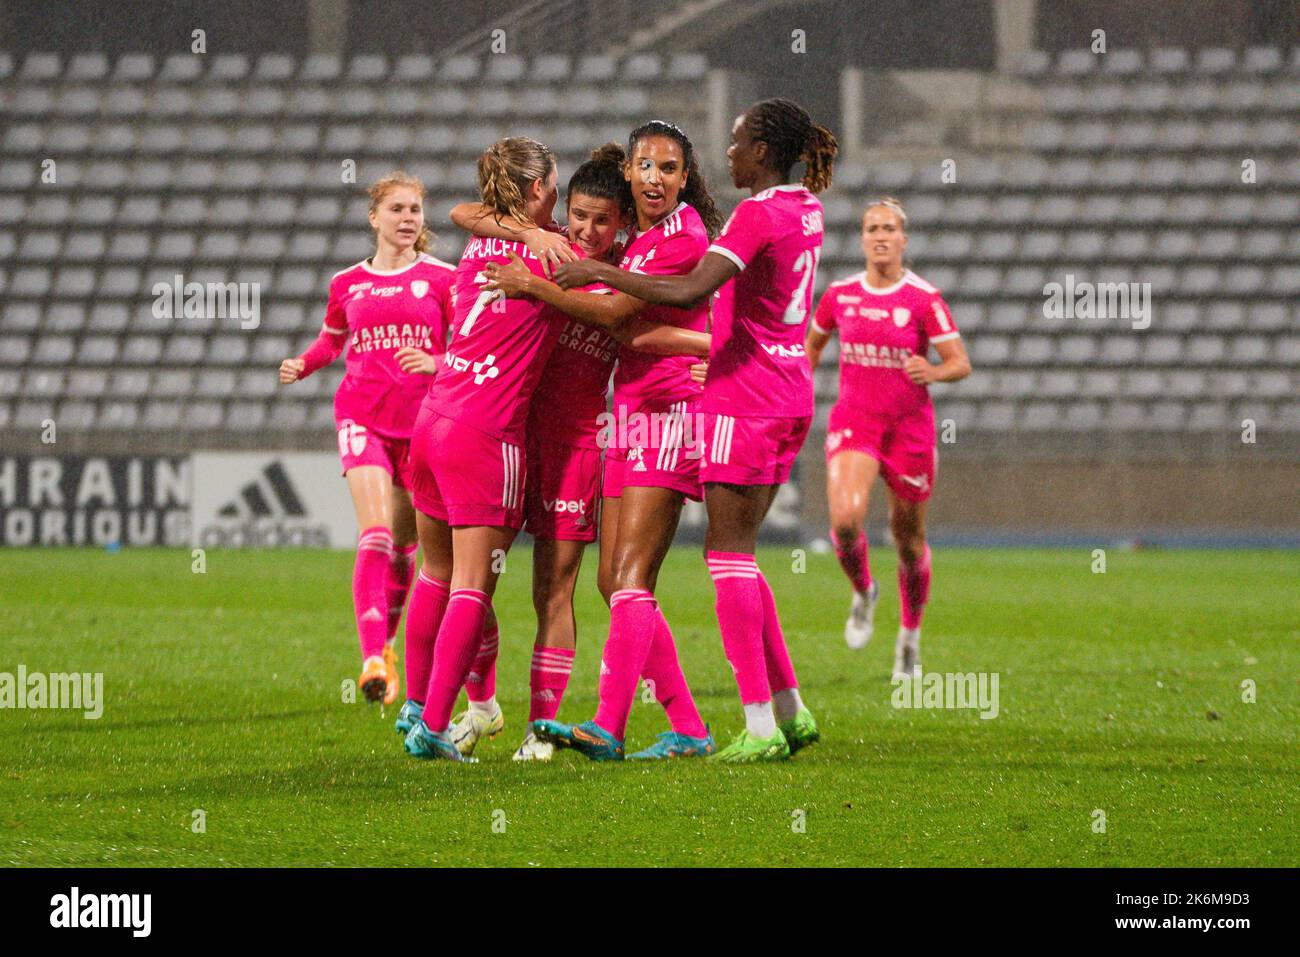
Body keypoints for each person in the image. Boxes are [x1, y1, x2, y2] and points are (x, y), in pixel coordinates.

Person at [551, 98, 838, 762]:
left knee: (718, 557)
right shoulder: (807, 208)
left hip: (740, 395)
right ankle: (785, 711)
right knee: (705, 560)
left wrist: (593, 271)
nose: (730, 153)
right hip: (784, 388)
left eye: (737, 143)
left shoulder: (752, 215)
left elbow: (681, 296)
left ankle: (757, 723)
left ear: (763, 151)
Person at [445, 144, 711, 760]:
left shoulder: (623, 267)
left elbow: (630, 324)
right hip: (514, 431)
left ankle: (545, 728)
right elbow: (464, 212)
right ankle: (482, 706)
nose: (588, 229)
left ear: (619, 223)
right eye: (579, 217)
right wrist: (532, 239)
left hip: (582, 442)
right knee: (475, 577)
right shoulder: (555, 244)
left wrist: (704, 349)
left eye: (601, 220)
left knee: (558, 589)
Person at [278, 171, 452, 705]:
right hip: (362, 417)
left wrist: (437, 360)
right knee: (375, 535)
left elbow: (471, 350)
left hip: (421, 426)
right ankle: (372, 655)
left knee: (405, 549)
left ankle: (389, 646)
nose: (407, 219)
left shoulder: (444, 279)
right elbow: (331, 342)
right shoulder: (347, 283)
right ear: (374, 217)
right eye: (397, 209)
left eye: (415, 210)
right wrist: (303, 364)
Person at [806, 197, 971, 676]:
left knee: (909, 543)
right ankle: (864, 592)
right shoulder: (840, 295)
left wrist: (934, 372)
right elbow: (811, 347)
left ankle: (909, 636)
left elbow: (960, 361)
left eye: (889, 228)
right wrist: (794, 387)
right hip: (856, 421)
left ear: (903, 239)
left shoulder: (923, 299)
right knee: (845, 521)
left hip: (909, 430)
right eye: (872, 227)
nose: (880, 235)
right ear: (862, 238)